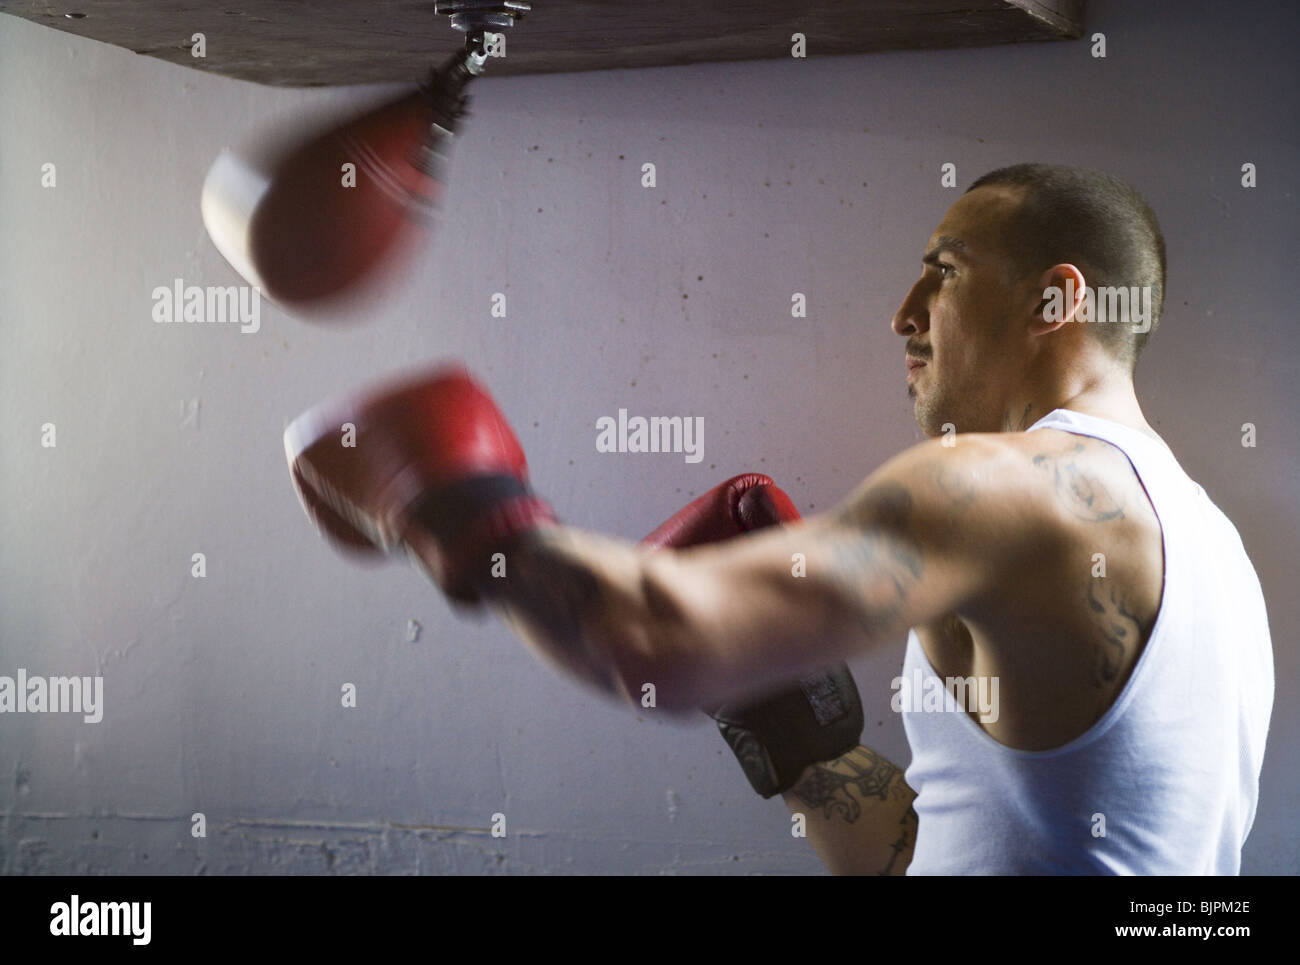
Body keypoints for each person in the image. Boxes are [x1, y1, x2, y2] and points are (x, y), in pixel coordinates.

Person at [285, 162, 1274, 874]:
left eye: (945, 269)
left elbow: (651, 642)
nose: (903, 311)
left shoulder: (1004, 485)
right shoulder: (1210, 548)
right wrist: (798, 739)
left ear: (1056, 300)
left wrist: (456, 505)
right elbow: (940, 853)